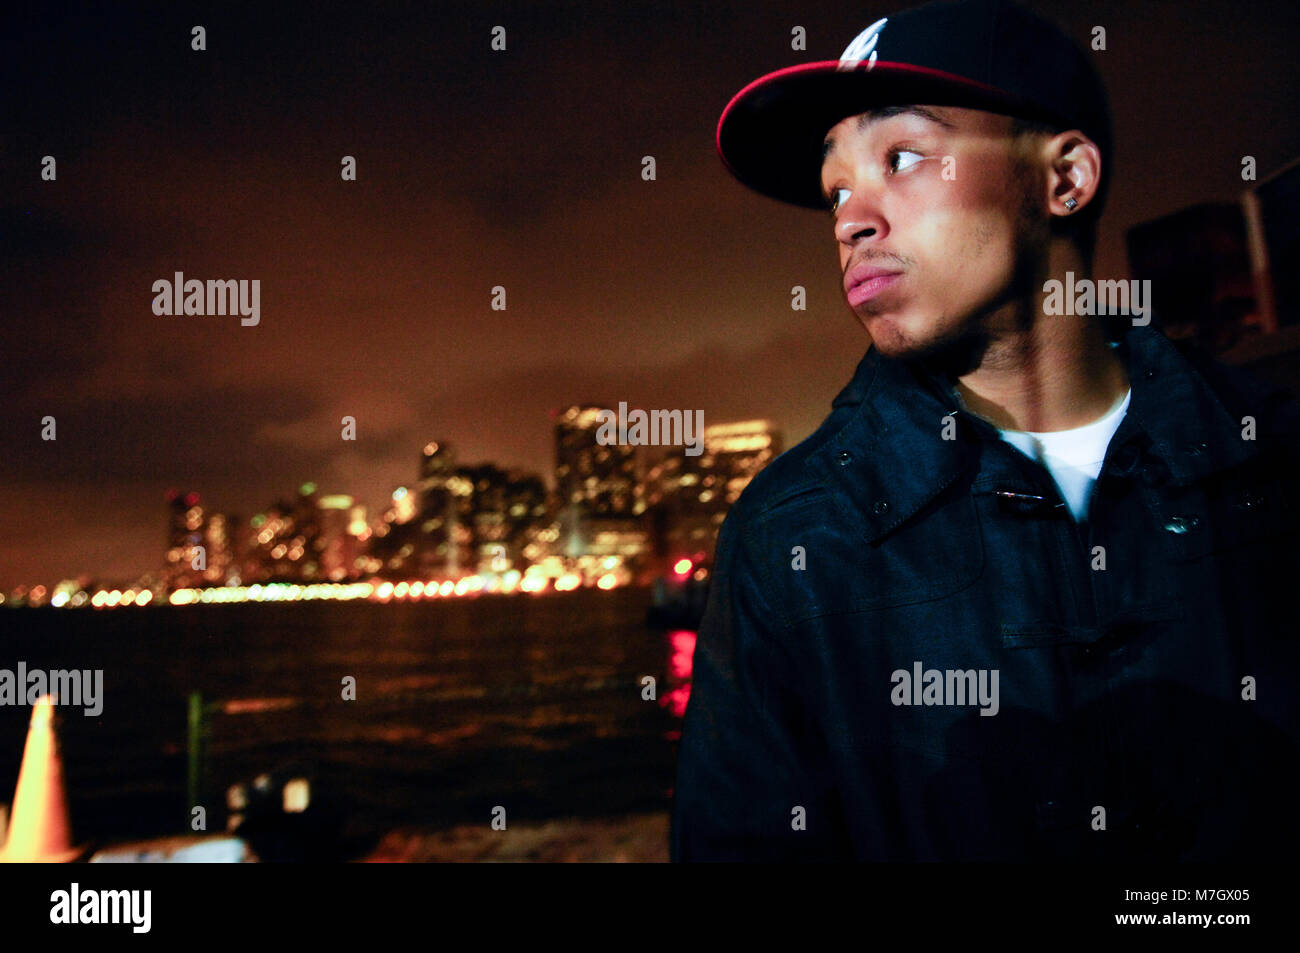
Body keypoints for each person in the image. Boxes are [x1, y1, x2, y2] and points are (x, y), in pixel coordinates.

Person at [671, 0, 1300, 861]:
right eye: (837, 189)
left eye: (901, 157)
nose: (852, 219)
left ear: (1065, 178)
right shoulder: (792, 538)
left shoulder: (1272, 462)